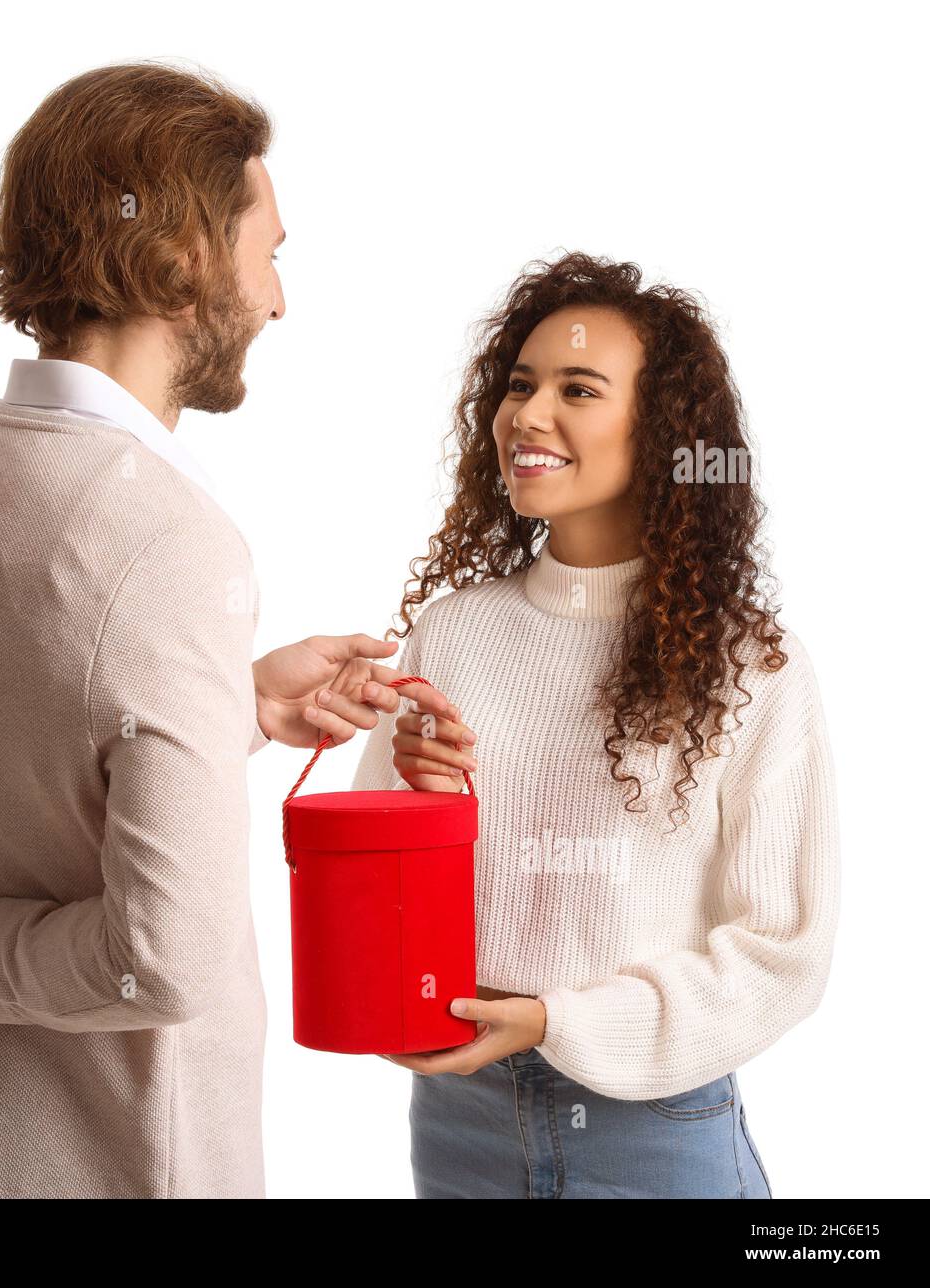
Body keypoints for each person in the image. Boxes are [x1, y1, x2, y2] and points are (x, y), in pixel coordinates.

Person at [0, 61, 462, 1199]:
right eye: (268, 253)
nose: (279, 301)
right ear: (180, 260)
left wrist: (239, 701)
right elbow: (162, 959)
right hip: (116, 1157)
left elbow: (40, 752)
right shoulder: (164, 540)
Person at [352, 251, 840, 1199]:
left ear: (660, 433)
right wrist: (424, 807)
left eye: (578, 388)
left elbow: (787, 947)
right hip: (461, 1116)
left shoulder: (751, 667)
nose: (527, 415)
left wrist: (556, 1021)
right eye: (520, 385)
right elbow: (375, 896)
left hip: (652, 1127)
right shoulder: (452, 635)